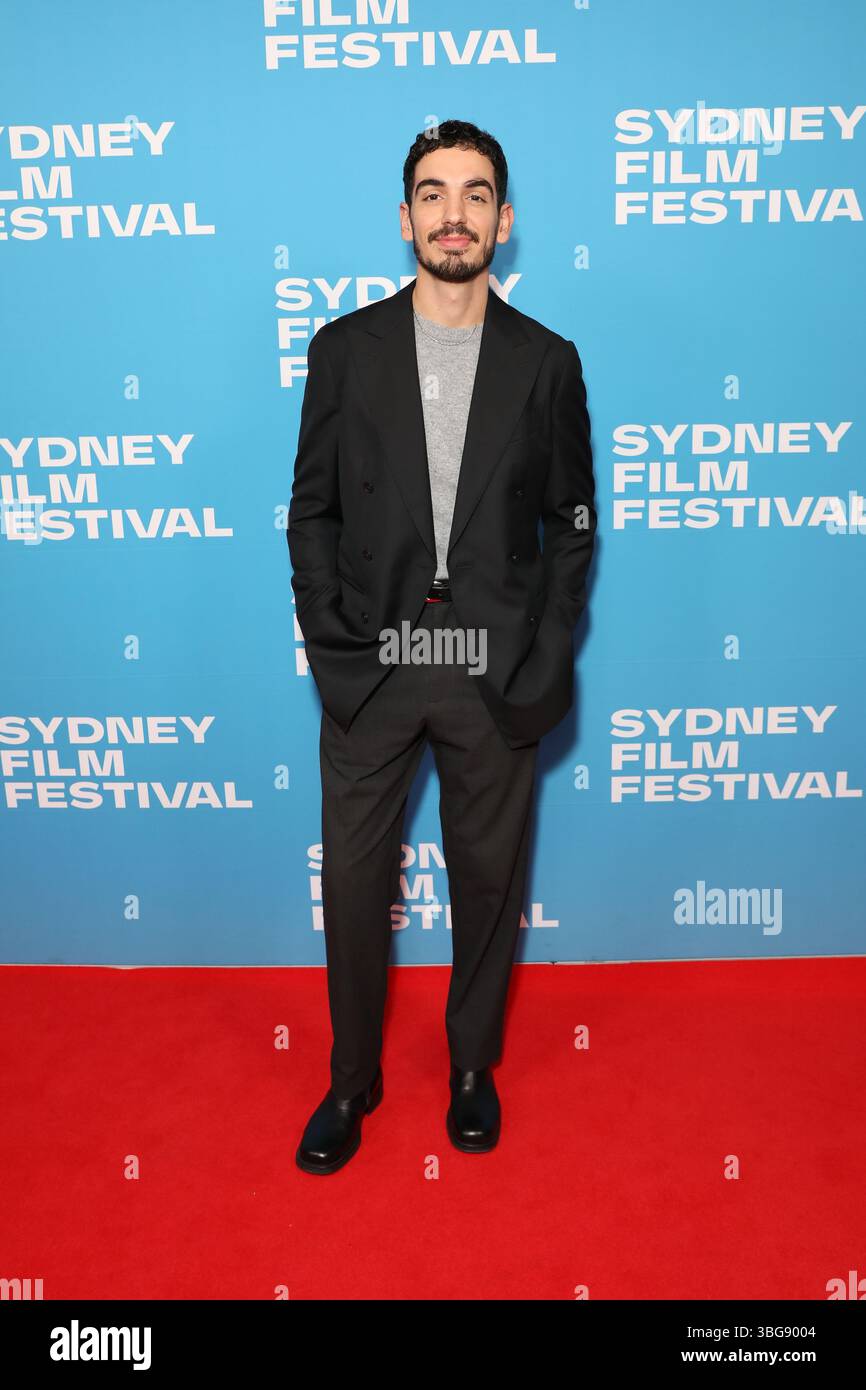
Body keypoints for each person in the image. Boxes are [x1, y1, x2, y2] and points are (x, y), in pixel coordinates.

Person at [287, 118, 596, 1174]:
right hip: (371, 661)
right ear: (404, 217)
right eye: (432, 192)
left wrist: (546, 643)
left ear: (501, 224)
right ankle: (350, 1076)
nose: (452, 213)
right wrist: (330, 629)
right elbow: (310, 510)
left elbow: (572, 521)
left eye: (474, 194)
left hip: (491, 666)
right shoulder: (343, 349)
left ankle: (471, 1066)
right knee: (354, 884)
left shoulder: (547, 362)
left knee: (486, 877)